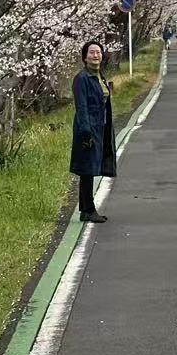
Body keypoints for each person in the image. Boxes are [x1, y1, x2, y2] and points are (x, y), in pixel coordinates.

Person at [70, 40, 118, 223]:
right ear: (84, 57)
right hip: (88, 129)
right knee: (87, 170)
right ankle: (88, 210)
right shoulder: (81, 79)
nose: (95, 55)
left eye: (98, 52)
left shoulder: (99, 76)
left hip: (101, 127)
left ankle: (87, 209)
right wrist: (85, 132)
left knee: (90, 169)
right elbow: (81, 107)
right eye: (91, 52)